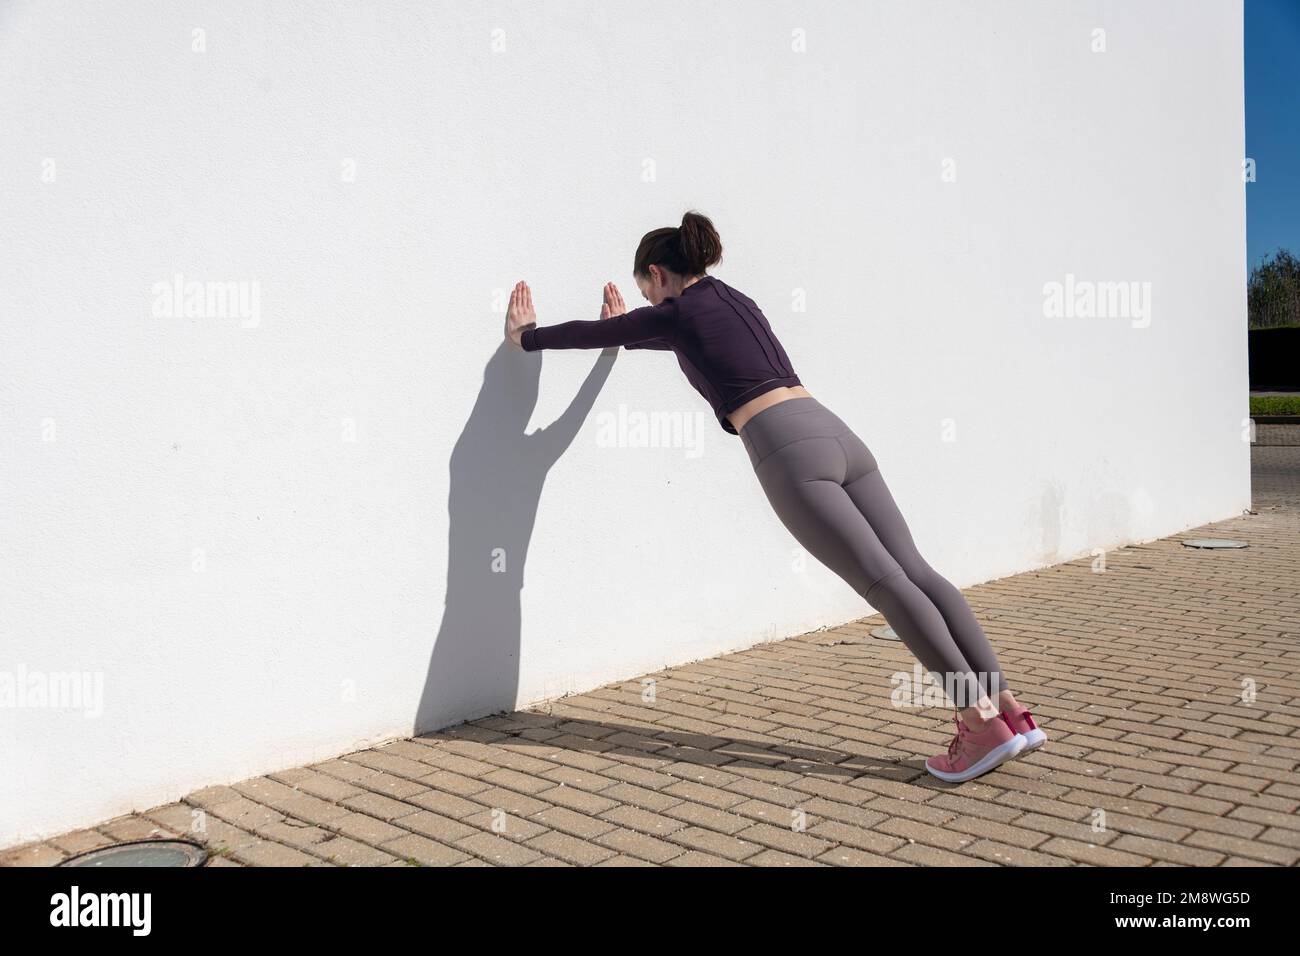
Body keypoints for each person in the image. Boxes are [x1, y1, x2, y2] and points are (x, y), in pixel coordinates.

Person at [504, 210, 1047, 782]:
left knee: (886, 582)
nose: (649, 302)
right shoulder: (731, 299)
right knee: (916, 570)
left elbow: (619, 332)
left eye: (646, 290)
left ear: (657, 274)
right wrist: (635, 327)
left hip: (787, 449)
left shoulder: (676, 314)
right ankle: (1011, 713)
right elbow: (683, 339)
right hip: (835, 432)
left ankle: (979, 724)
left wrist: (527, 337)